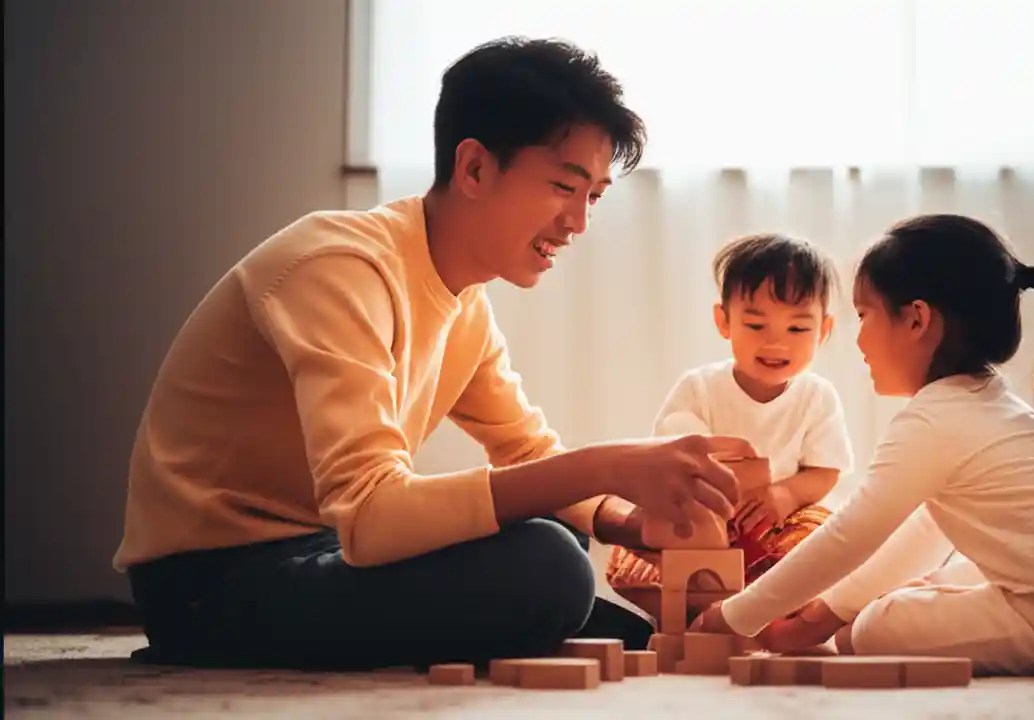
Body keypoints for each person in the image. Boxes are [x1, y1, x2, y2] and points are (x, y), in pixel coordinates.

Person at [114, 36, 754, 670]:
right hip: (211, 583)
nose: (579, 223)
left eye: (594, 196)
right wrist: (609, 466)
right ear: (474, 167)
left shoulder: (464, 303)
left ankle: (545, 611)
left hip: (321, 551)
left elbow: (528, 452)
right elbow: (371, 515)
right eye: (565, 186)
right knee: (549, 566)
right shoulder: (337, 268)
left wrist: (633, 526)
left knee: (563, 540)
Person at [691, 214, 1034, 676]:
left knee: (866, 631)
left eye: (863, 315)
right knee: (896, 595)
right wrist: (826, 609)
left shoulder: (934, 420)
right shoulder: (982, 399)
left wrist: (736, 616)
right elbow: (931, 528)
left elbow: (851, 534)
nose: (858, 339)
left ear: (915, 320)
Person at [608, 234, 854, 590]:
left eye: (798, 328)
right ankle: (692, 605)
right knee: (643, 540)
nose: (776, 342)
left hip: (777, 523)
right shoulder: (698, 388)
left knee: (822, 537)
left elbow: (825, 471)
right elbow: (671, 461)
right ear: (724, 321)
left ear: (824, 331)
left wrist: (784, 495)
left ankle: (769, 602)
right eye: (756, 325)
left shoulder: (817, 396)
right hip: (702, 518)